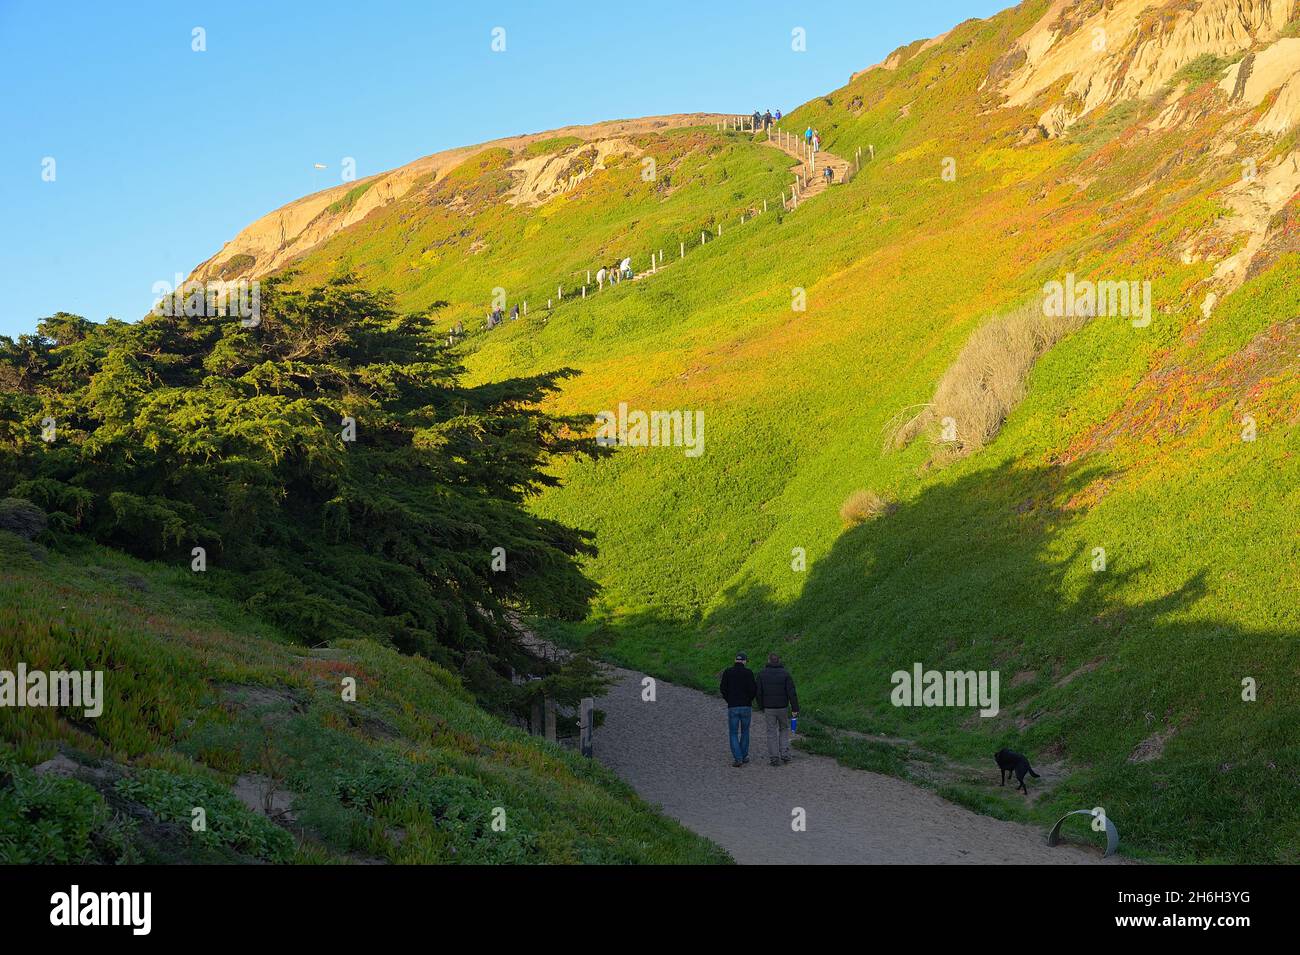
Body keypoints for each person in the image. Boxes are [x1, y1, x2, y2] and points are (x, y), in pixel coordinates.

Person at [755, 652, 798, 766]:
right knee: (784, 729)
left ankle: (774, 757)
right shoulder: (785, 674)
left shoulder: (761, 674)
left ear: (768, 661)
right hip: (782, 707)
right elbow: (792, 693)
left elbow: (758, 693)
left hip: (769, 708)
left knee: (771, 732)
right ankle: (785, 753)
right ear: (779, 661)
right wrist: (795, 708)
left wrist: (761, 706)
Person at [719, 652, 758, 767]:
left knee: (733, 733)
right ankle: (744, 755)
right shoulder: (748, 673)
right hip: (746, 706)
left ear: (735, 660)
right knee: (745, 731)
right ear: (745, 661)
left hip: (733, 706)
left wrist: (729, 700)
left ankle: (738, 757)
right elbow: (753, 689)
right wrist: (749, 700)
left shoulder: (728, 672)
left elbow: (723, 689)